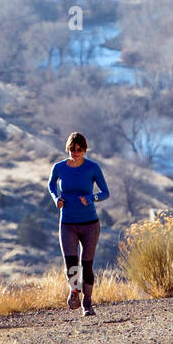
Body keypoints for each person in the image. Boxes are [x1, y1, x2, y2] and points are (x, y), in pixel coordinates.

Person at [47, 131, 110, 316]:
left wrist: (92, 198)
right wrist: (56, 198)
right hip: (67, 223)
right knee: (71, 265)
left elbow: (105, 192)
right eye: (72, 149)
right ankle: (74, 290)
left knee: (87, 265)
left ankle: (87, 304)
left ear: (84, 149)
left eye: (79, 149)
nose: (75, 153)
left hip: (90, 224)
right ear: (67, 149)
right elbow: (51, 185)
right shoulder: (59, 167)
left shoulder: (92, 168)